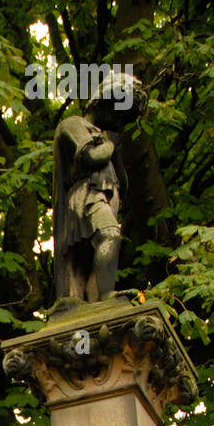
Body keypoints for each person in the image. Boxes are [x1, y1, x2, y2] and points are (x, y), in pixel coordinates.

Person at [53, 72, 146, 306]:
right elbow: (92, 157)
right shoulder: (74, 124)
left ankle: (99, 301)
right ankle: (106, 297)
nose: (118, 122)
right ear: (102, 103)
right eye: (116, 112)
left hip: (104, 197)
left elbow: (123, 183)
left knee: (97, 254)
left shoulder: (107, 137)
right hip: (86, 195)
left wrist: (115, 150)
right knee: (110, 234)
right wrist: (110, 145)